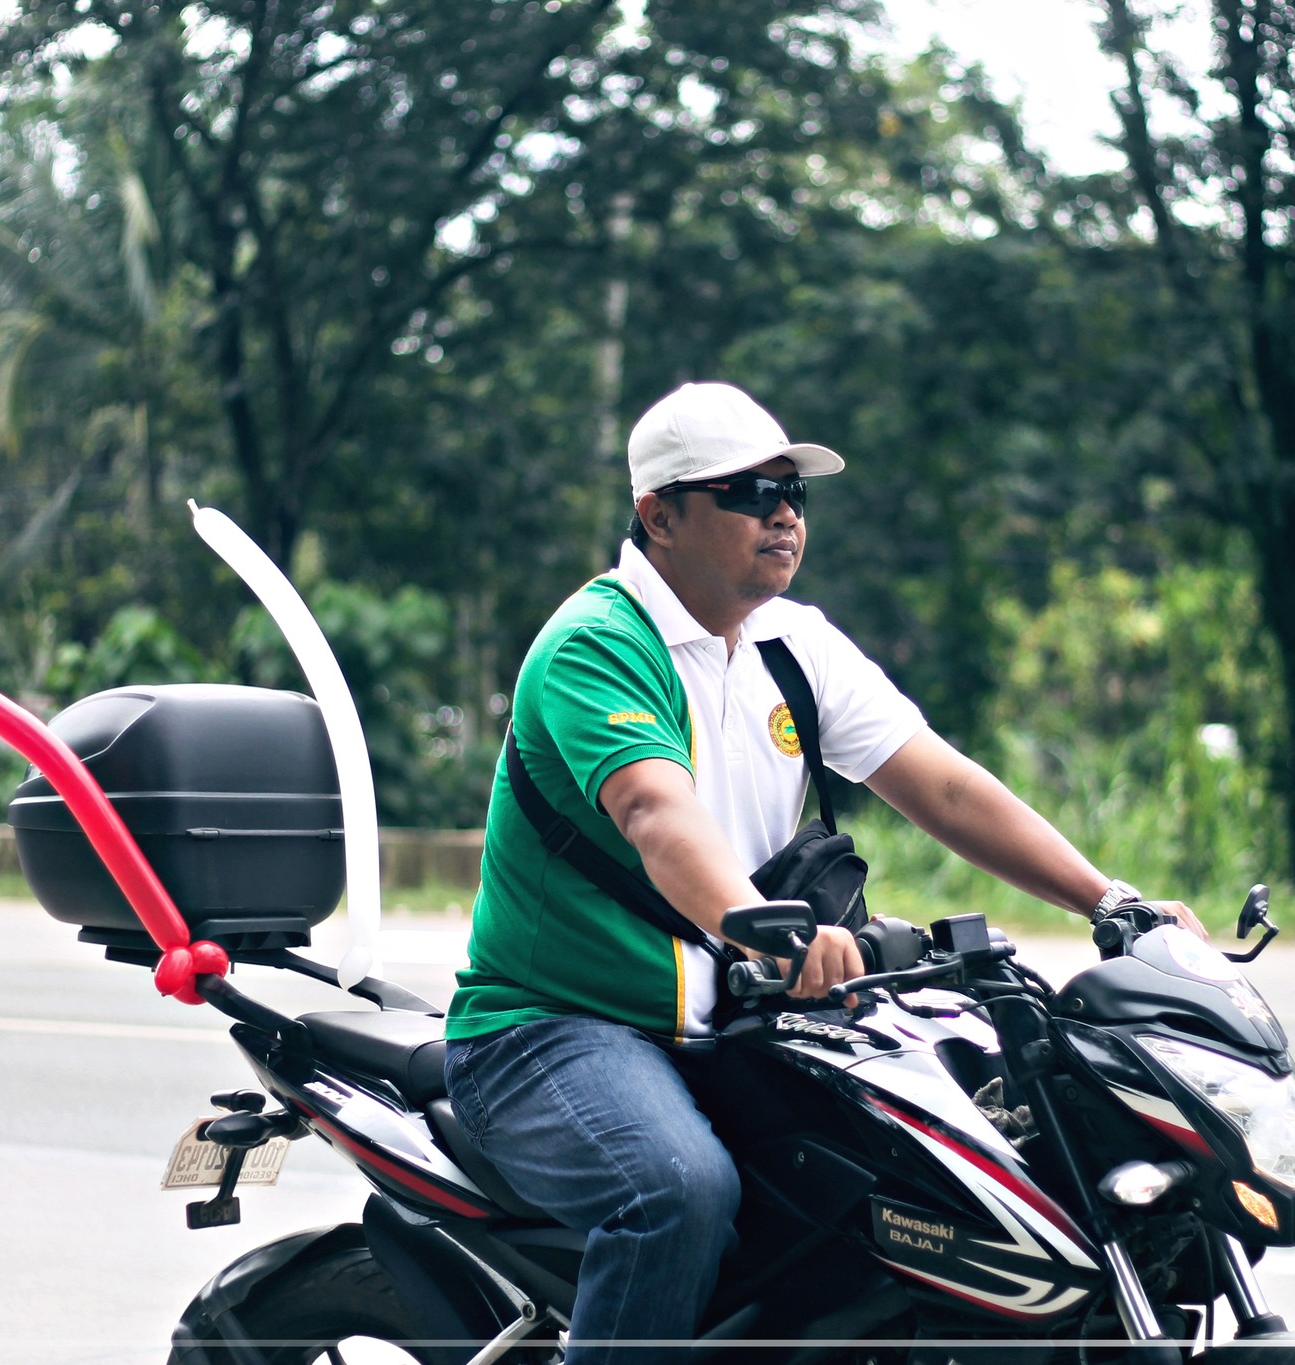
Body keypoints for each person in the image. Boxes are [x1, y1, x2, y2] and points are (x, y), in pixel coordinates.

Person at [442, 381, 1205, 1363]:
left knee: (948, 1161)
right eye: (750, 493)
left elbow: (944, 789)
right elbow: (655, 813)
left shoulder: (789, 646)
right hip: (553, 1028)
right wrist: (767, 925)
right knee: (674, 1192)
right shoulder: (597, 646)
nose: (783, 514)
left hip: (743, 1023)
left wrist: (1111, 900)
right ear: (657, 515)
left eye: (794, 493)